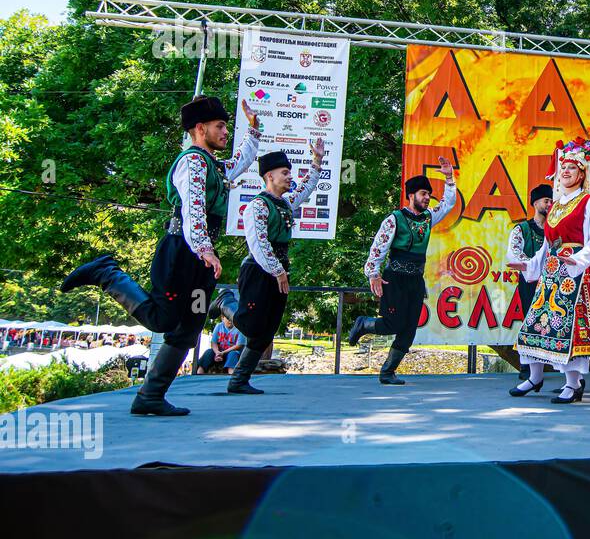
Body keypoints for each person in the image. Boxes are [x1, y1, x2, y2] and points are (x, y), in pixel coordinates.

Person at [60, 95, 261, 416]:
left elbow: (241, 161)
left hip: (201, 260)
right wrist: (205, 248)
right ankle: (107, 273)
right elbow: (193, 207)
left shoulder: (213, 164)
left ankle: (150, 396)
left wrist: (254, 128)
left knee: (191, 325)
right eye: (220, 126)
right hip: (182, 251)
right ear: (200, 128)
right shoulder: (192, 162)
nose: (226, 132)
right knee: (163, 319)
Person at [507, 138, 590, 404]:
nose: (565, 171)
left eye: (572, 168)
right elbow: (547, 246)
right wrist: (528, 266)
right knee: (537, 324)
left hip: (574, 274)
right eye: (563, 167)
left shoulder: (589, 202)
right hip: (551, 271)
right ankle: (534, 377)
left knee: (568, 328)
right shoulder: (557, 206)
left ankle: (573, 385)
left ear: (582, 174)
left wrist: (580, 259)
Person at [347, 159, 457, 384]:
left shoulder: (428, 218)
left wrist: (449, 178)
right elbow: (378, 247)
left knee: (408, 330)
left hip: (415, 280)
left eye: (429, 194)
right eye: (423, 193)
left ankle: (387, 372)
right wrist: (373, 274)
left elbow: (448, 204)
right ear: (411, 195)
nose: (427, 198)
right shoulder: (394, 219)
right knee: (393, 324)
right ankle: (364, 323)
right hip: (394, 279)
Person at [226, 142, 323, 394]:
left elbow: (307, 187)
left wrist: (317, 160)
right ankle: (225, 304)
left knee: (268, 327)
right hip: (259, 270)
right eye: (285, 173)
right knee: (252, 324)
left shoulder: (286, 203)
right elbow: (259, 243)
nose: (290, 177)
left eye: (290, 173)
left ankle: (239, 380)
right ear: (269, 176)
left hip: (280, 269)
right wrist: (276, 270)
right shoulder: (258, 206)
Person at [505, 184, 552, 384]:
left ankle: (552, 364)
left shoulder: (555, 229)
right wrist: (534, 266)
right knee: (529, 323)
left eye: (551, 201)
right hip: (530, 283)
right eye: (546, 201)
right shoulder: (521, 229)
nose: (549, 204)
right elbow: (514, 253)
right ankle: (527, 367)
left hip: (552, 283)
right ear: (535, 203)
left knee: (552, 324)